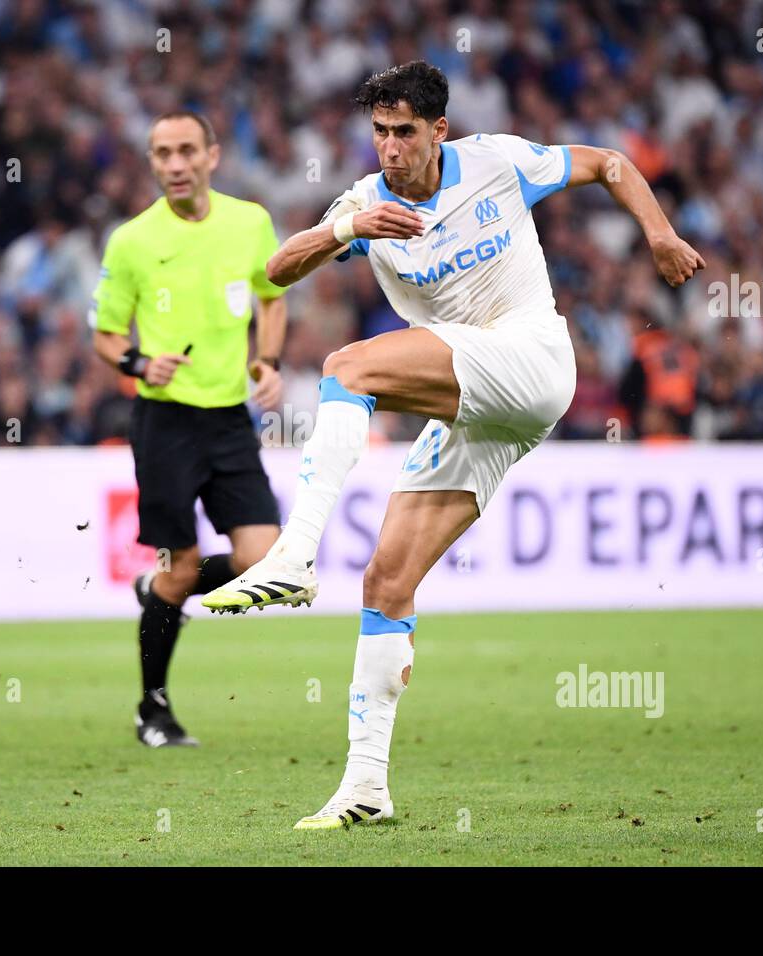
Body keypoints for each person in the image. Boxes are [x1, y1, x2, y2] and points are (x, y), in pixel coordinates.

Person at [202, 61, 704, 827]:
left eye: (405, 131)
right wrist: (346, 229)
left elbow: (608, 163)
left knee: (346, 368)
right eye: (379, 132)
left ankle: (295, 556)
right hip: (479, 407)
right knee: (386, 581)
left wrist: (661, 234)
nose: (390, 147)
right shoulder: (364, 203)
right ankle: (366, 789)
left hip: (534, 361)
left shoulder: (498, 162)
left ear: (440, 130)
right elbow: (274, 271)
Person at [91, 111, 289, 747]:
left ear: (212, 156)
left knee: (265, 560)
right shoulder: (131, 241)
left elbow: (273, 293)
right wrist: (140, 362)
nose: (173, 164)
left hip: (229, 418)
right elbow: (105, 334)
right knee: (182, 573)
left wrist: (269, 359)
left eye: (184, 151)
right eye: (160, 154)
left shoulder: (250, 221)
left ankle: (158, 588)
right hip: (165, 424)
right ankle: (154, 710)